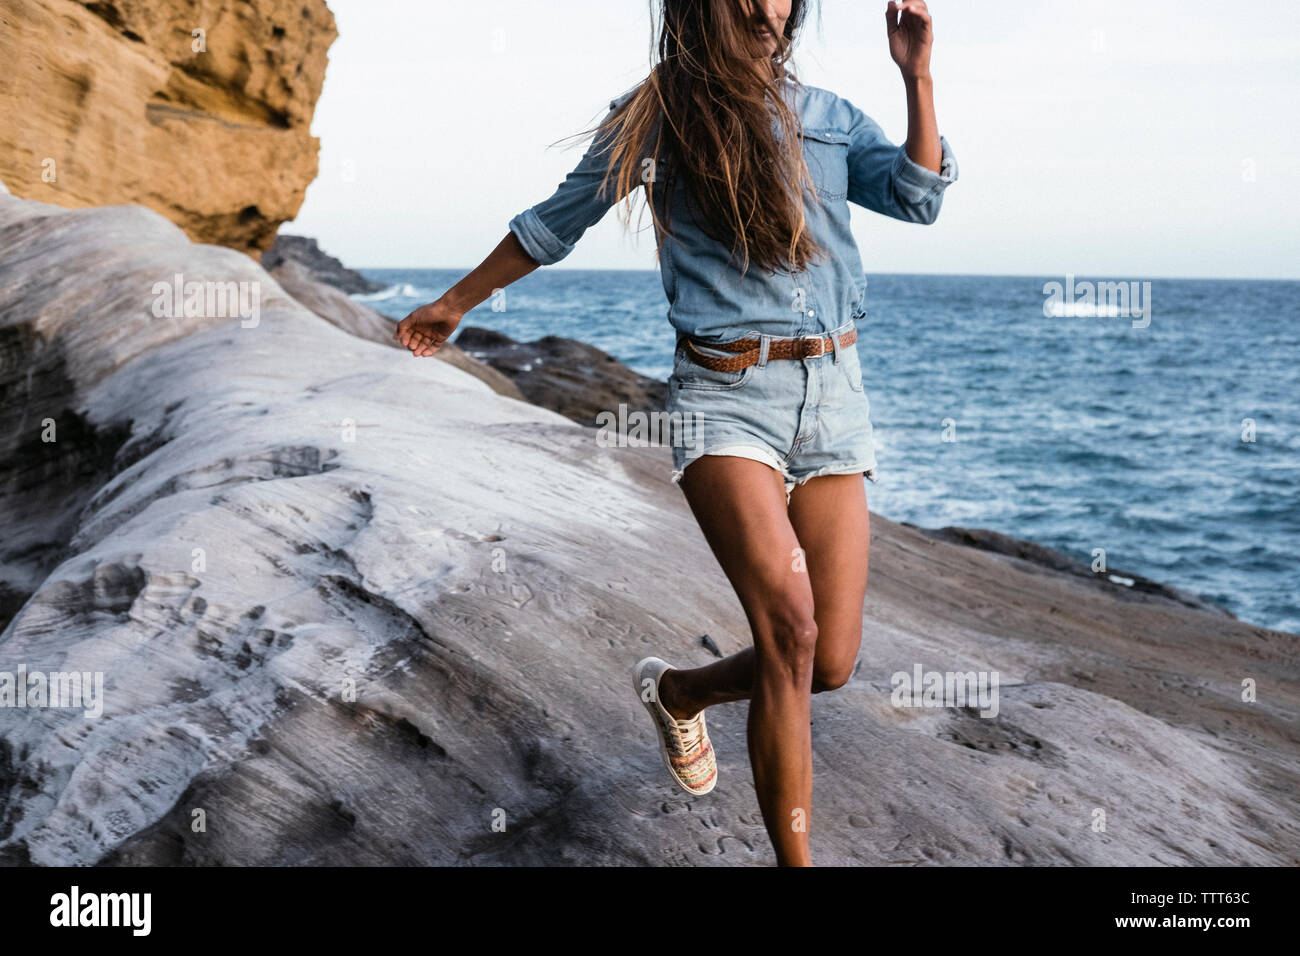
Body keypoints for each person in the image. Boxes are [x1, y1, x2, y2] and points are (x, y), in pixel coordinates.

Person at [395, 0, 957, 866]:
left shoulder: (833, 118)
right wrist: (455, 303)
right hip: (723, 395)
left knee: (830, 661)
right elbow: (556, 221)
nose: (760, 5)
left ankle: (680, 691)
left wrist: (916, 73)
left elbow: (919, 199)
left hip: (835, 396)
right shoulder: (660, 112)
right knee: (792, 636)